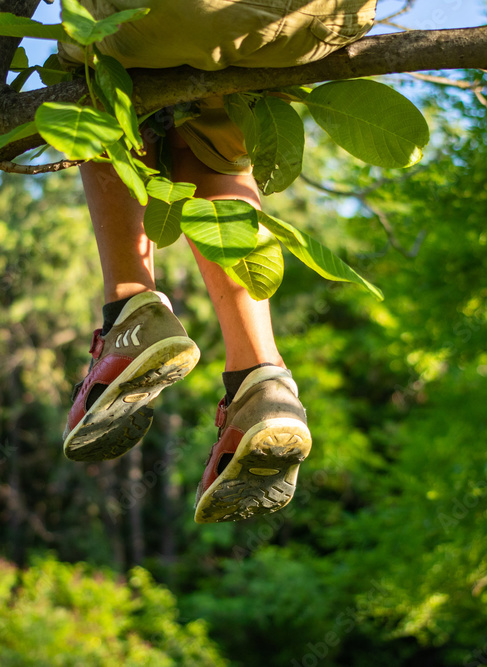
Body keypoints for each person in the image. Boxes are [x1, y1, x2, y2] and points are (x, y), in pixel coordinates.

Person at [57, 0, 378, 523]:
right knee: (219, 127)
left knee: (87, 76)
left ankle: (130, 313)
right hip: (314, 21)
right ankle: (261, 380)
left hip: (162, 15)